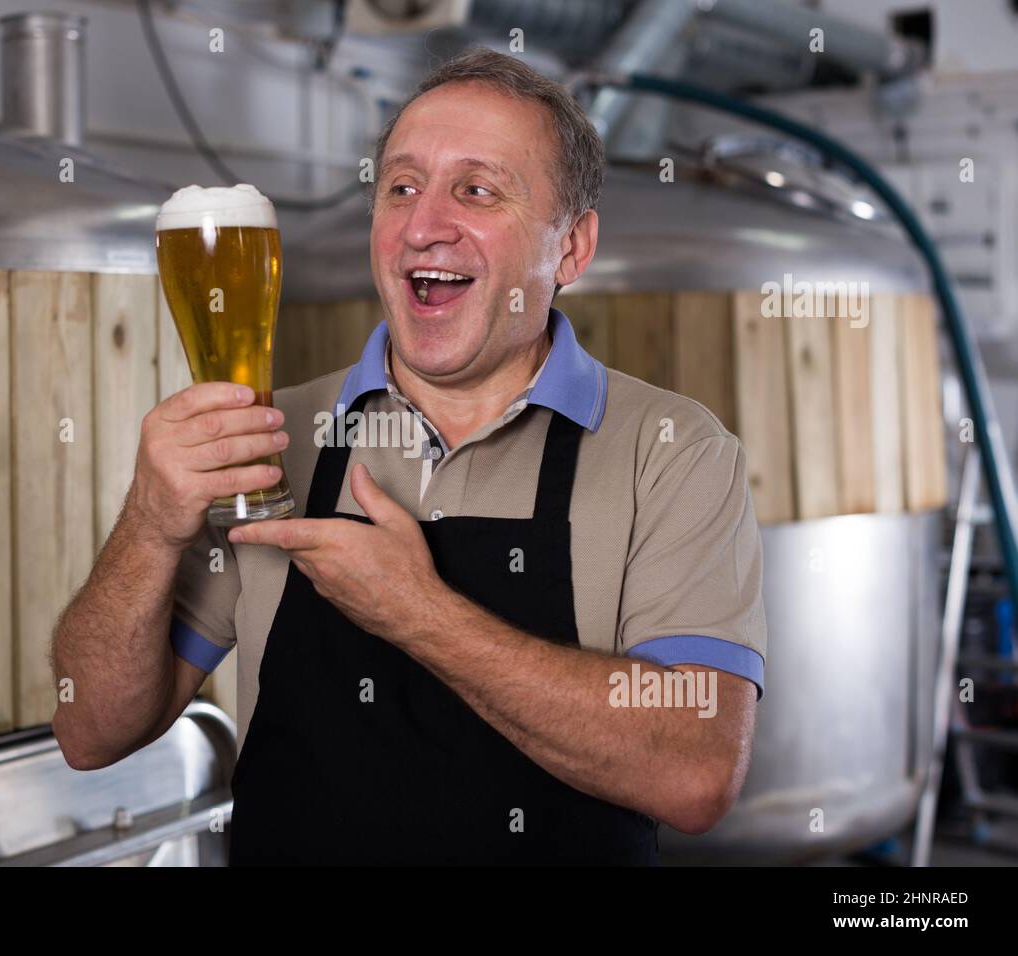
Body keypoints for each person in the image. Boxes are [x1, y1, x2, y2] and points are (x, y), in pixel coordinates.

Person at [51, 47, 766, 865]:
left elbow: (697, 769)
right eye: (401, 187)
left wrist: (419, 613)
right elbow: (90, 730)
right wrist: (147, 522)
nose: (424, 225)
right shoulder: (270, 435)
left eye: (477, 189)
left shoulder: (667, 453)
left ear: (571, 249)